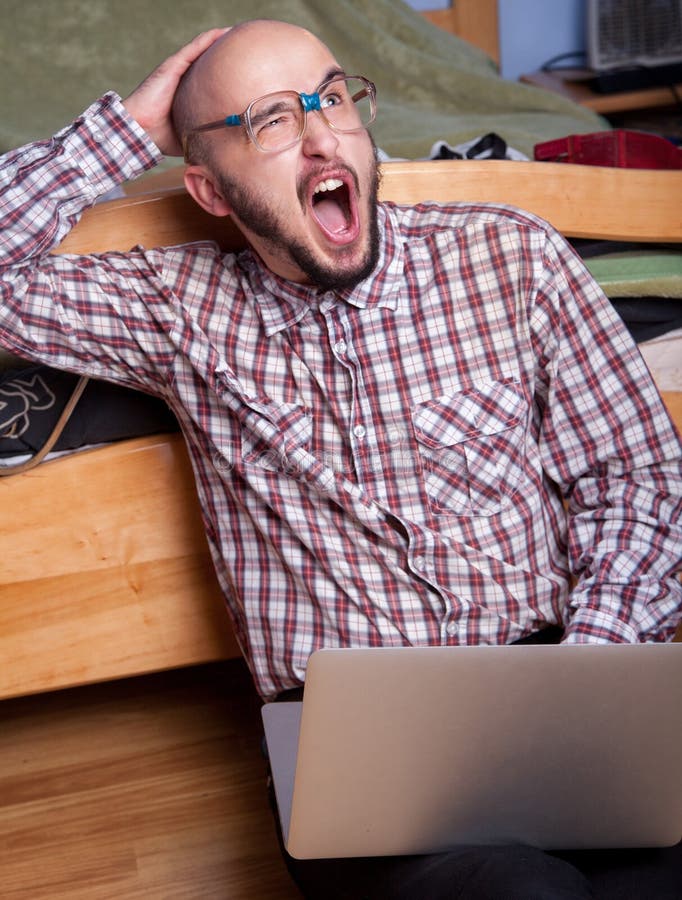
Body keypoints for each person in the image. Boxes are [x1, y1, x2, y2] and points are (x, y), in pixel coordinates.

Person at [1, 19, 680, 899]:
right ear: (207, 188)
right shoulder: (178, 310)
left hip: (571, 673)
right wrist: (128, 130)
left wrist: (590, 674)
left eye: (331, 98)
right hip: (365, 752)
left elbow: (637, 480)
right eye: (272, 120)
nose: (322, 134)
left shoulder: (511, 256)